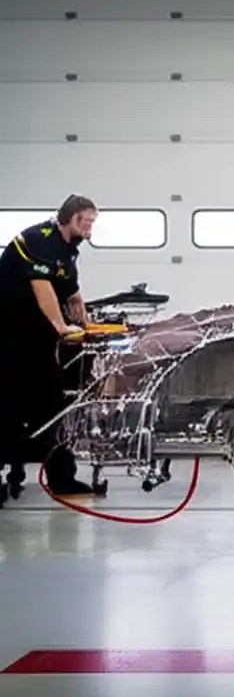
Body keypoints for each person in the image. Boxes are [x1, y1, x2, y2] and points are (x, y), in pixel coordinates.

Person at [0, 194, 98, 504]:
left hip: (36, 343)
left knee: (54, 407)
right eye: (87, 221)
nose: (91, 228)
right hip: (9, 338)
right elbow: (41, 289)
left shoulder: (68, 252)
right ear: (69, 219)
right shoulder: (39, 239)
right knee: (7, 409)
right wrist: (61, 327)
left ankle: (62, 479)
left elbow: (73, 296)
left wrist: (89, 328)